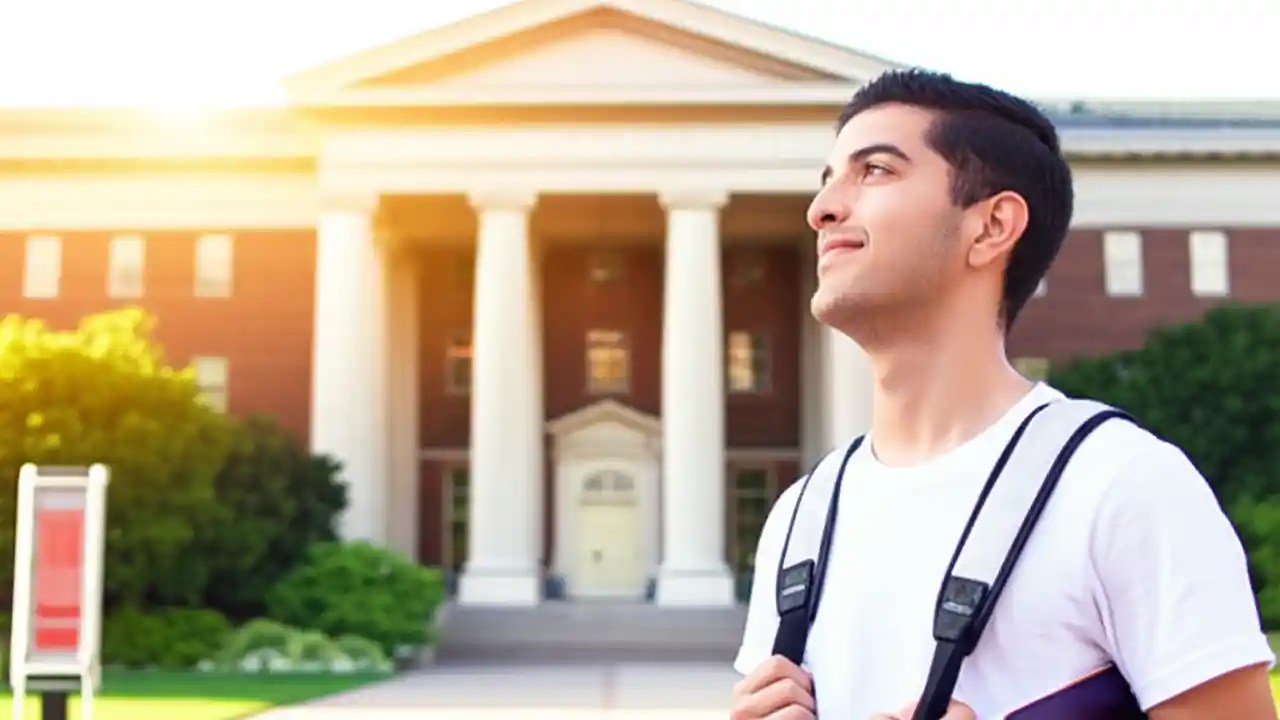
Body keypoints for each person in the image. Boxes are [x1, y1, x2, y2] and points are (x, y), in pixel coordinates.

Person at [729, 68, 1278, 719]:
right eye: (827, 180)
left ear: (992, 227)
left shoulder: (1123, 485)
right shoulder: (801, 517)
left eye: (874, 170)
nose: (821, 209)